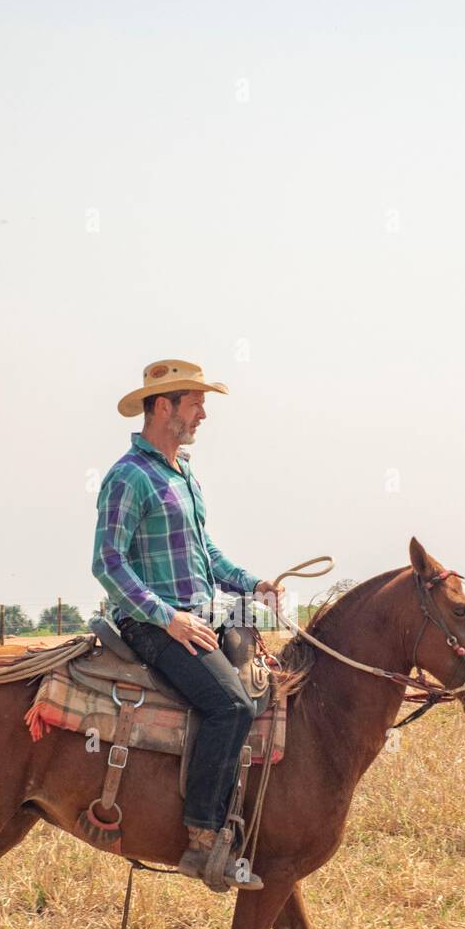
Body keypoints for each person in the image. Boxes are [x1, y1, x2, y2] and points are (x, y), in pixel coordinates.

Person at [92, 360, 284, 889]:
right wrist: (168, 617)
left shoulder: (184, 473)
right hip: (154, 626)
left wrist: (251, 584)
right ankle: (203, 838)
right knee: (229, 705)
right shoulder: (129, 475)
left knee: (272, 683)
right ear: (163, 407)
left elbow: (204, 553)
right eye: (195, 403)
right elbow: (107, 563)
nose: (203, 414)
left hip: (202, 618)